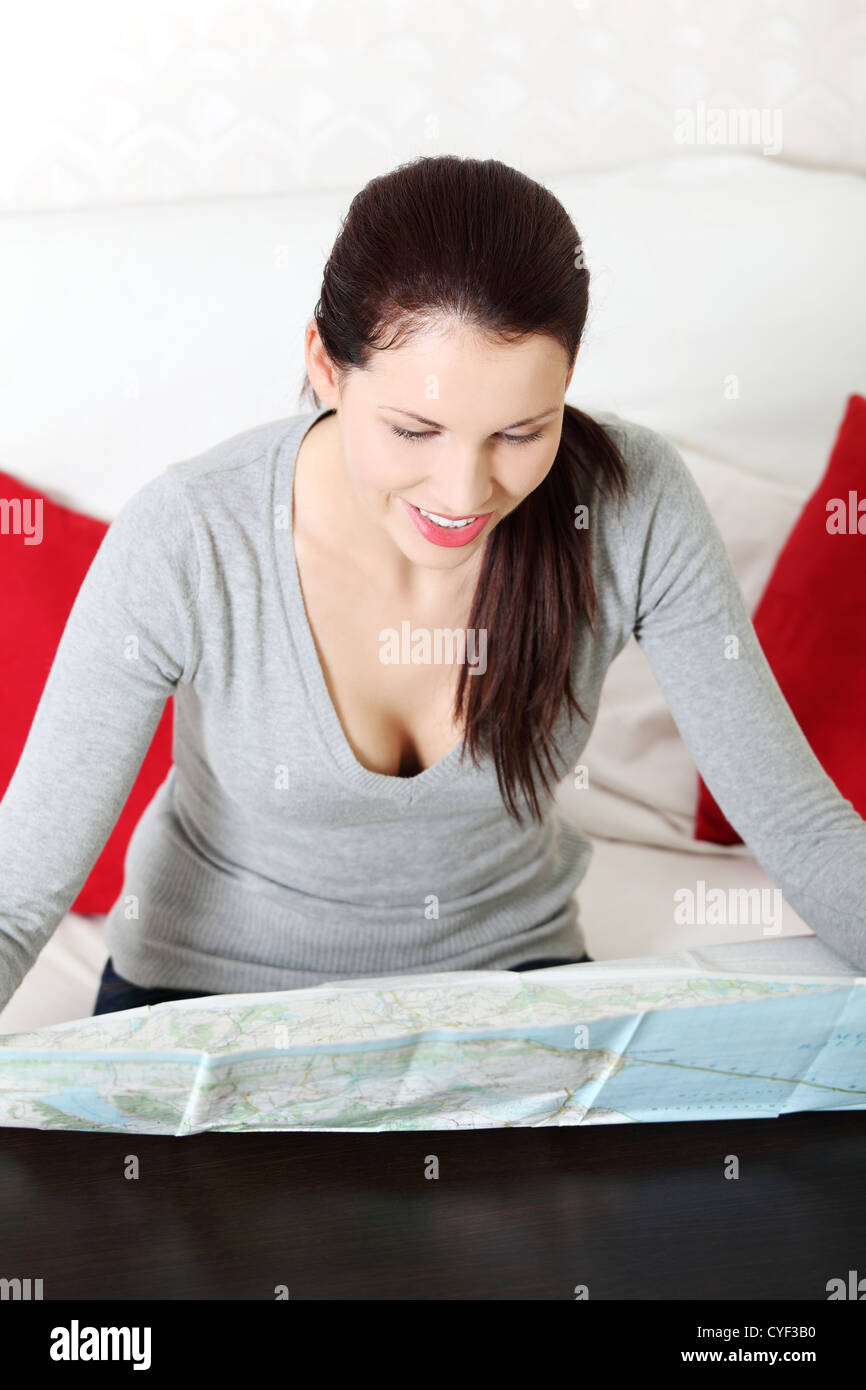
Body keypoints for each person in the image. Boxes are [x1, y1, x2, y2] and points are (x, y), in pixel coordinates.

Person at [0, 155, 864, 1022]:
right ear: (326, 369)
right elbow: (16, 896)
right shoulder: (189, 536)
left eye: (520, 432)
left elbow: (805, 832)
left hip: (510, 988)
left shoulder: (633, 502)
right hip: (206, 999)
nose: (463, 493)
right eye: (415, 430)